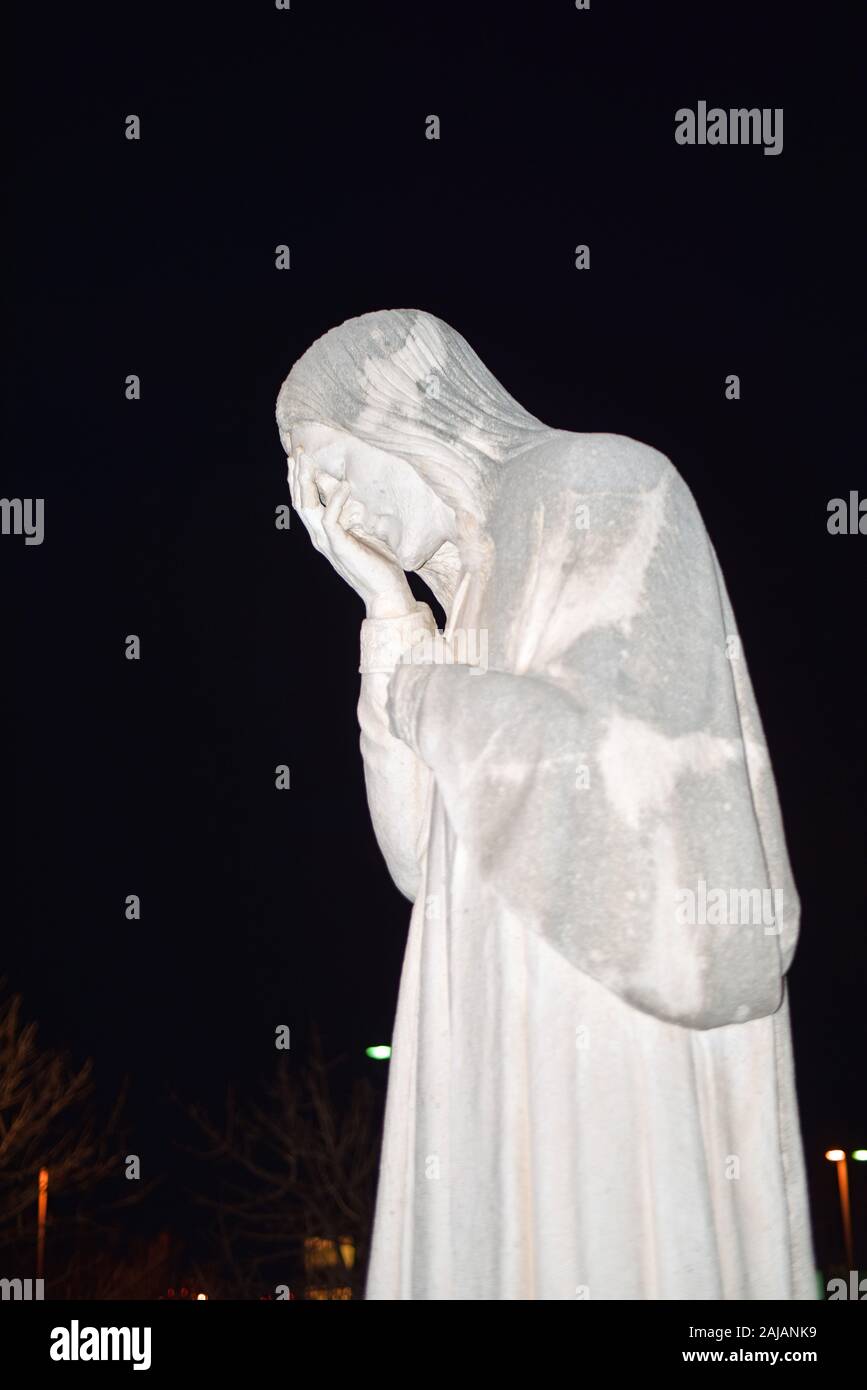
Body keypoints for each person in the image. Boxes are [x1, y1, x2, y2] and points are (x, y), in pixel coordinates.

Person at [277, 308, 815, 1300]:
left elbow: (621, 772)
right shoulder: (456, 607)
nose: (337, 512)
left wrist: (427, 692)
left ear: (408, 415)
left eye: (338, 468)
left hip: (599, 1004)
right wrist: (390, 616)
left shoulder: (606, 482)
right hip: (485, 1017)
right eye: (314, 493)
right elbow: (416, 861)